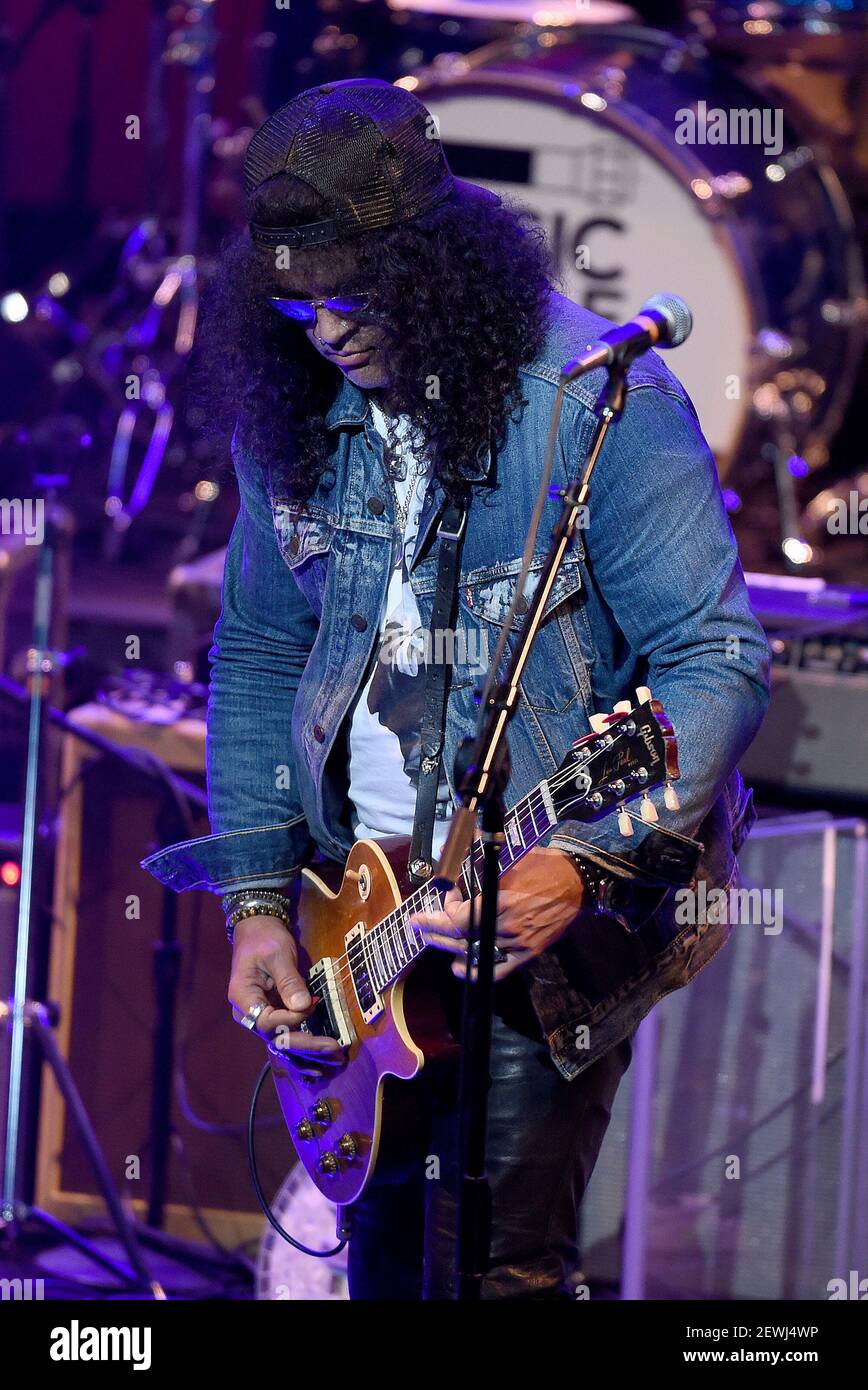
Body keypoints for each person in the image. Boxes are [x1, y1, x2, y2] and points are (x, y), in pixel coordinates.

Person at [143, 78, 770, 1299]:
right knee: (384, 1266)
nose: (329, 333)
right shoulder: (294, 410)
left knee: (496, 1270)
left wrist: (583, 860)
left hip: (550, 920)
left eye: (357, 298)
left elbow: (715, 660)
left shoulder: (598, 402)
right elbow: (260, 651)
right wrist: (260, 903)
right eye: (299, 304)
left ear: (439, 270)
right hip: (359, 913)